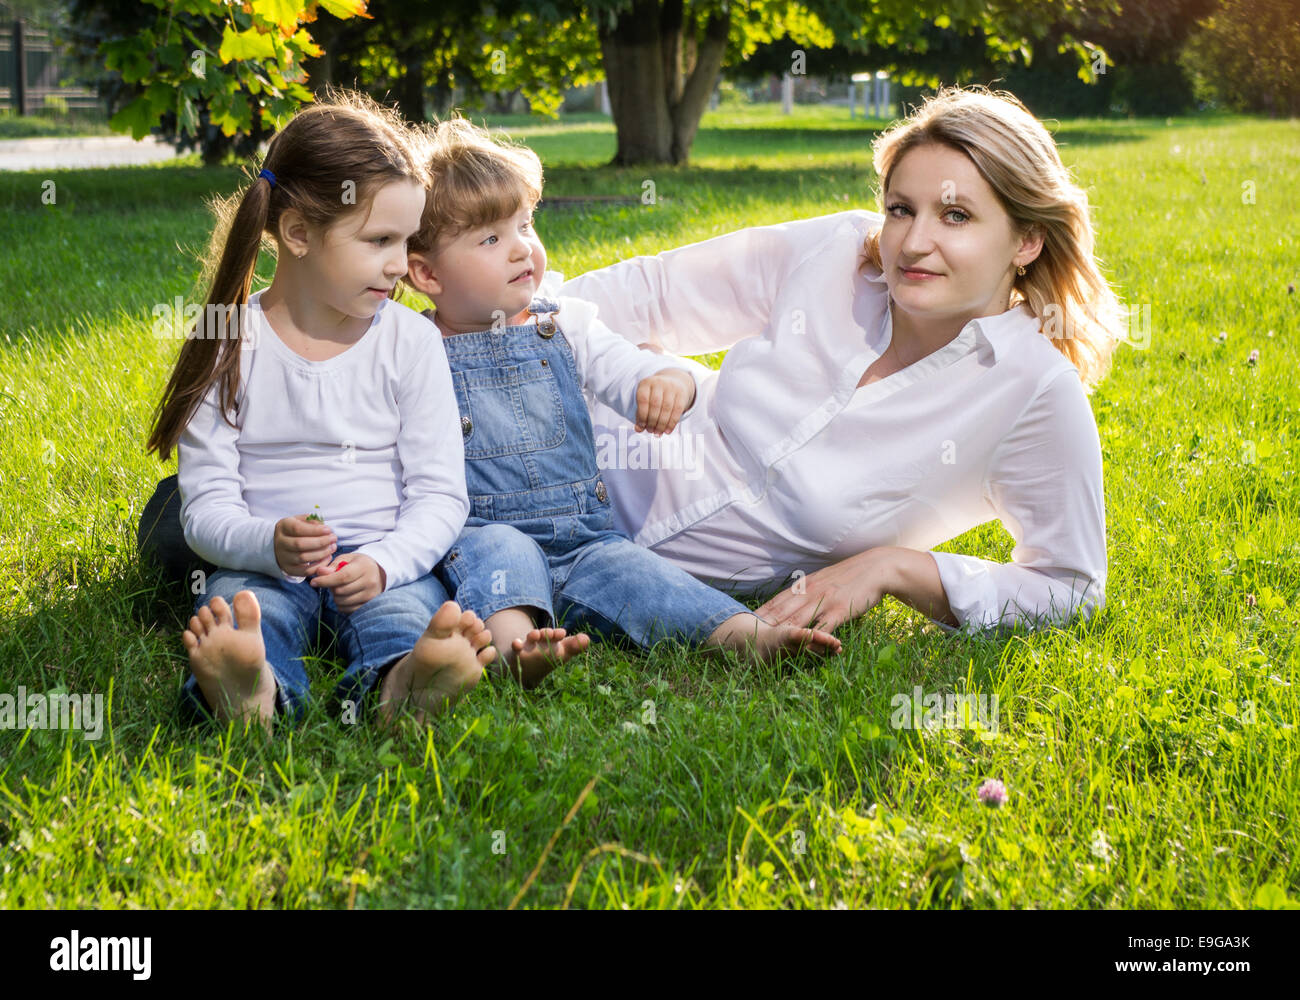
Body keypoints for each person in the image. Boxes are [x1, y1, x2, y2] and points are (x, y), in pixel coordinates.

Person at [563, 86, 1122, 636]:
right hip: (570, 437)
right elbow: (653, 293)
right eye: (901, 210)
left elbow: (1068, 586)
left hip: (604, 569)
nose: (914, 242)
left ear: (1027, 240)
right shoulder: (839, 251)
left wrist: (894, 567)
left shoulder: (1034, 390)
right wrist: (509, 318)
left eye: (955, 216)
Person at [401, 118, 842, 688]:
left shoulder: (564, 323)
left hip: (584, 534)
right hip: (479, 530)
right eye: (491, 239)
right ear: (426, 273)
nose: (522, 249)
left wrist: (661, 381)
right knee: (503, 565)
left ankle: (741, 636)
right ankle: (518, 651)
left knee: (642, 575)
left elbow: (620, 364)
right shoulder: (412, 348)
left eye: (526, 225)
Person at [144, 91, 494, 733]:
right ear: (298, 233)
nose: (401, 265)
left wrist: (386, 561)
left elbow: (441, 493)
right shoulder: (228, 339)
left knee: (401, 615)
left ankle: (402, 688)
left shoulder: (409, 342)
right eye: (380, 240)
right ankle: (254, 691)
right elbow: (206, 508)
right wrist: (266, 544)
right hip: (263, 560)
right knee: (243, 611)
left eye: (407, 239)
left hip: (382, 555)